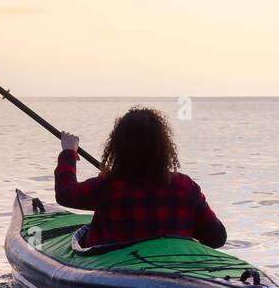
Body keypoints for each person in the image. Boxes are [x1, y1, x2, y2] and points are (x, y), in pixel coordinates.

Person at [56, 106, 227, 249]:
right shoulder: (185, 187)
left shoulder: (107, 187)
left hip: (117, 271)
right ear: (163, 148)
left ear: (117, 148)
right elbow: (217, 238)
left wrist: (69, 152)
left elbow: (65, 193)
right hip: (175, 273)